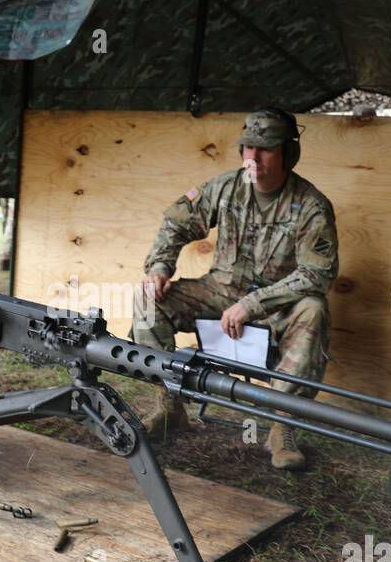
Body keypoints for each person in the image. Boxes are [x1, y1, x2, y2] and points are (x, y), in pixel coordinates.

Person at [131, 107, 338, 471]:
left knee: (314, 309)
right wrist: (161, 267)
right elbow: (175, 223)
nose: (253, 158)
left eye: (266, 149)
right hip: (220, 293)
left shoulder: (311, 206)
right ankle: (169, 406)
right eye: (247, 148)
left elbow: (317, 275)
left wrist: (255, 303)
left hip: (278, 307)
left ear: (289, 154)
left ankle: (281, 427)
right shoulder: (224, 188)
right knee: (148, 300)